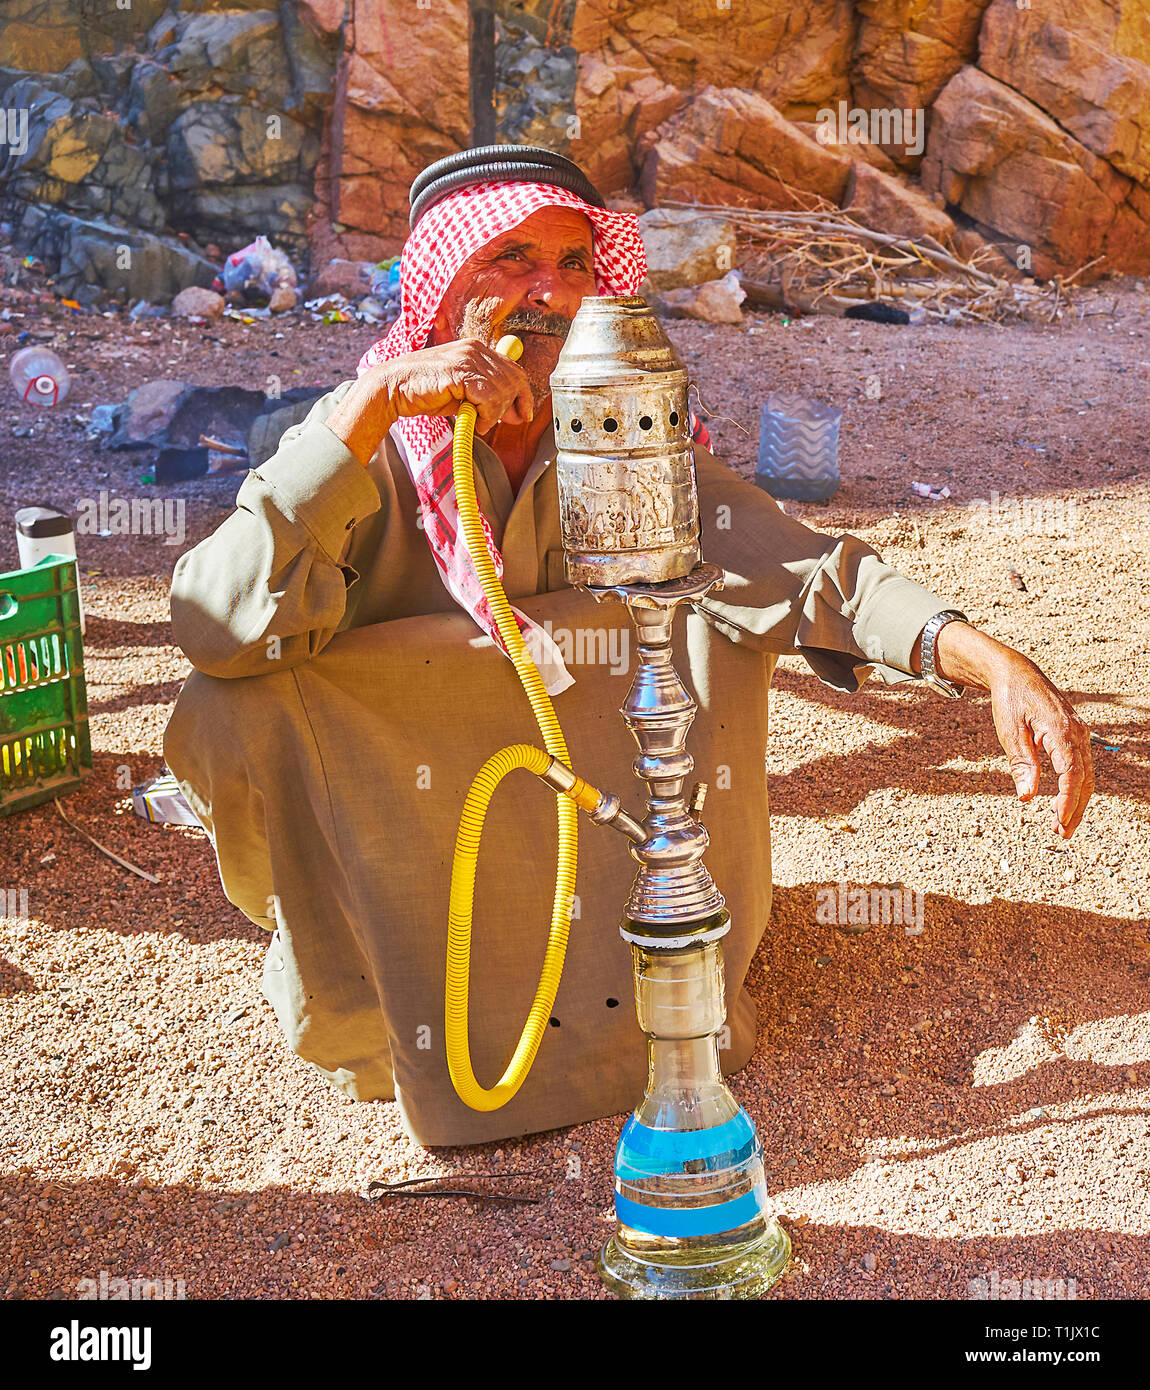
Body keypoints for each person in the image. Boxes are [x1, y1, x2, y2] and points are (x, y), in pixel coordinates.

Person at [165, 149, 1093, 1146]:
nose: (547, 293)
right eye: (509, 259)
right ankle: (349, 964)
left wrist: (982, 656)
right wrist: (372, 409)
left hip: (595, 822)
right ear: (436, 280)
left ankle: (642, 989)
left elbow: (794, 564)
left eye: (573, 266)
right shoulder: (359, 435)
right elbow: (214, 625)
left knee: (699, 612)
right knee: (230, 705)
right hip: (413, 825)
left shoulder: (618, 430)